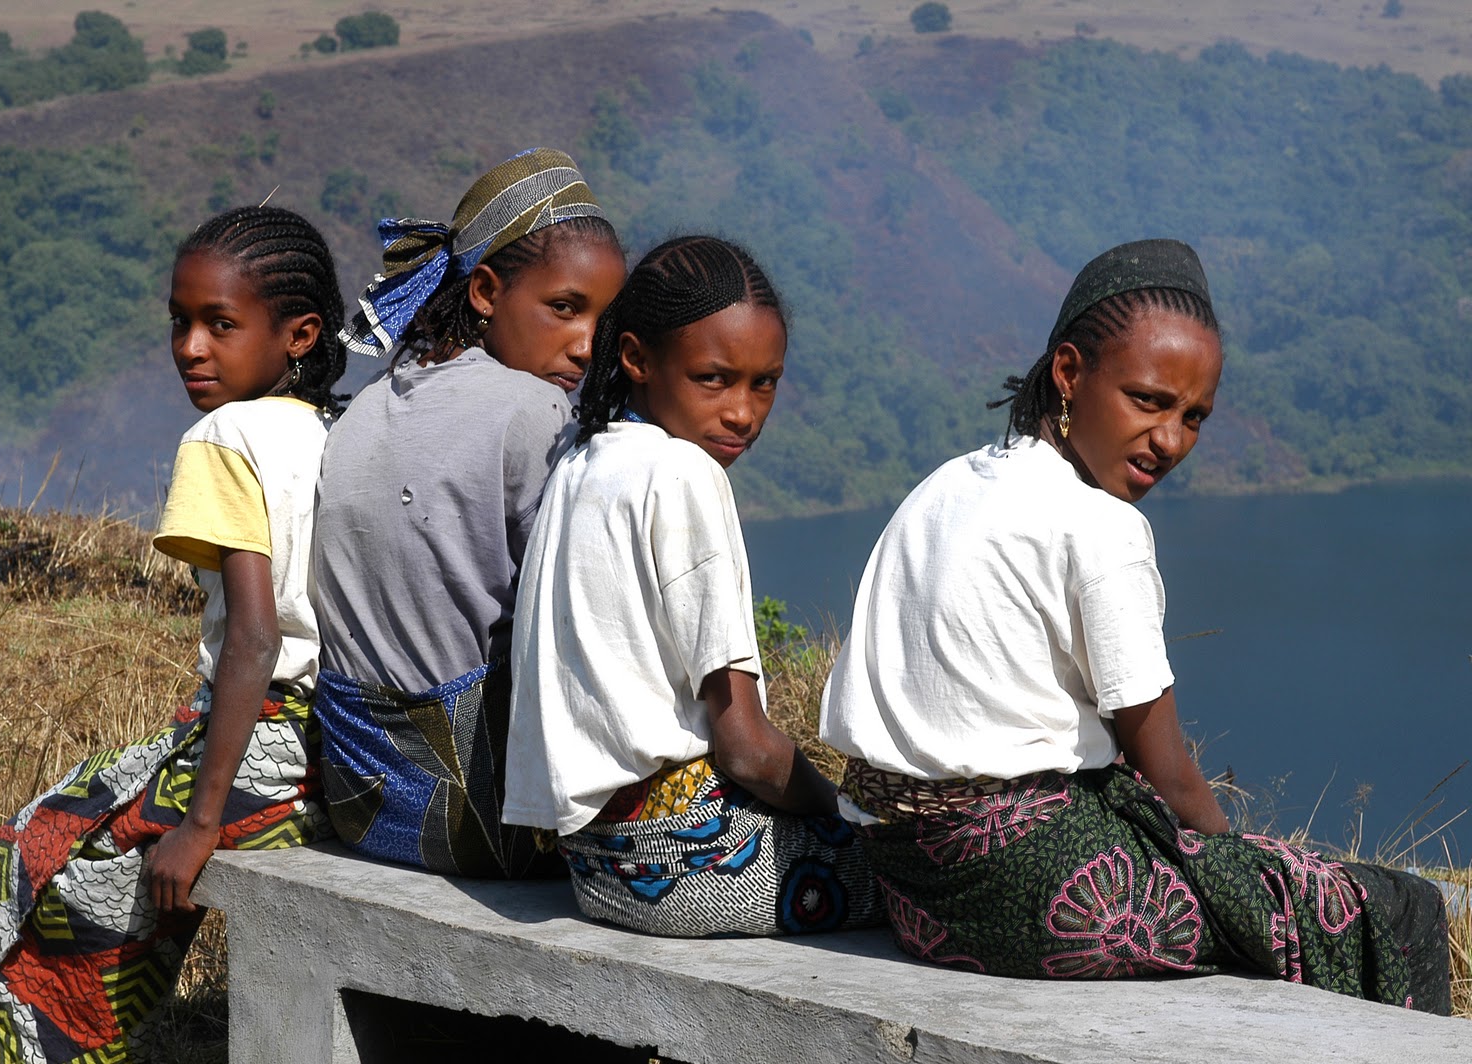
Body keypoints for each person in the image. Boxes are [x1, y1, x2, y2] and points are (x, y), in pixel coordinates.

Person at [817, 238, 1451, 1010]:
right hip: (1035, 898)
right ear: (1070, 372)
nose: (1172, 441)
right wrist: (1235, 869)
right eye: (1148, 401)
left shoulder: (949, 483)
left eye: (1194, 418)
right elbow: (1170, 773)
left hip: (911, 884)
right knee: (1370, 908)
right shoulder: (1099, 524)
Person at [0, 205, 348, 1061]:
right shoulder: (338, 433)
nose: (191, 347)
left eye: (220, 325)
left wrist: (203, 820)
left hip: (258, 751)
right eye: (180, 323)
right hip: (334, 748)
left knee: (44, 857)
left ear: (299, 334)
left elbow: (255, 641)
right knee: (71, 809)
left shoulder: (224, 438)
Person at [503, 236, 883, 936]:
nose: (743, 411)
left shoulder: (582, 462)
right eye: (714, 379)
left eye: (763, 382)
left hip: (593, 867)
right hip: (689, 866)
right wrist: (840, 808)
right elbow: (747, 751)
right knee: (918, 873)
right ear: (638, 360)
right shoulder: (684, 474)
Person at [312, 148, 625, 878]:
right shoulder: (535, 410)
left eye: (605, 320)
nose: (588, 346)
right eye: (566, 308)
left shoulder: (362, 410)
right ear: (485, 291)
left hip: (365, 808)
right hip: (490, 824)